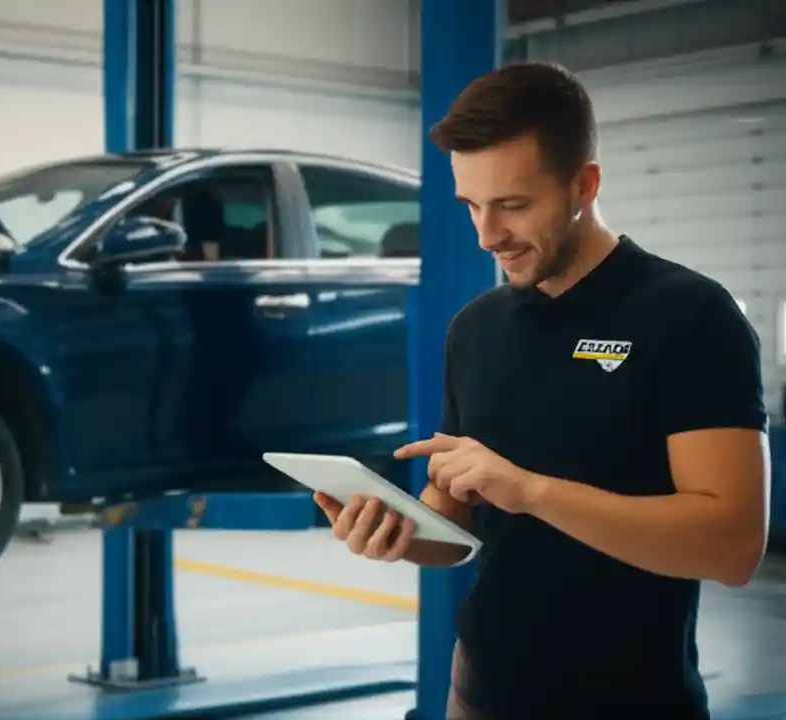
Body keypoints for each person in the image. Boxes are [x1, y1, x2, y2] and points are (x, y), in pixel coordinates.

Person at [315, 61, 771, 719]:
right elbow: (458, 524)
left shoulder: (690, 315)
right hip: (479, 690)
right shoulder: (475, 329)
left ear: (584, 183)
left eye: (513, 205)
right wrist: (398, 532)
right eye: (471, 205)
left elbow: (731, 546)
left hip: (630, 701)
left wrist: (530, 490)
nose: (486, 235)